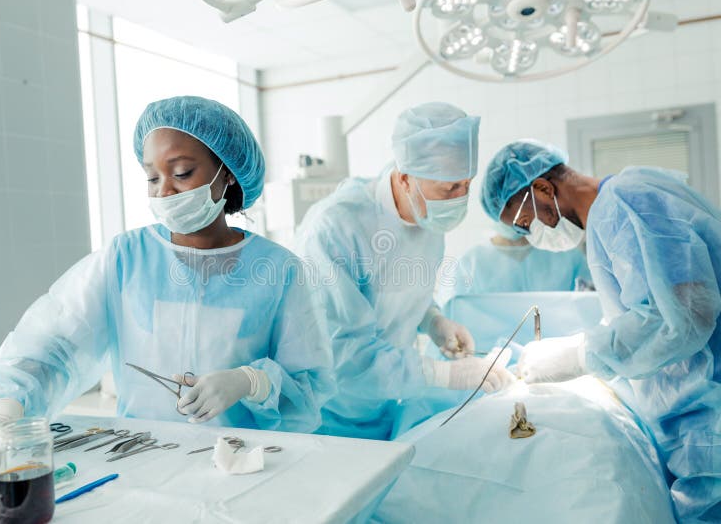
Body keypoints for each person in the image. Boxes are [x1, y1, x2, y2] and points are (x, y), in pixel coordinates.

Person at [0, 96, 334, 432]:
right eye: (152, 177)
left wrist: (251, 382)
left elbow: (307, 389)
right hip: (144, 458)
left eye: (181, 173)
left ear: (225, 174)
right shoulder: (125, 259)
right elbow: (54, 348)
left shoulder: (278, 269)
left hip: (243, 462)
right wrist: (6, 406)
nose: (163, 191)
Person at [480, 139, 721, 522]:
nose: (531, 235)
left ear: (543, 188)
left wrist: (581, 355)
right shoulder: (619, 207)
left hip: (710, 419)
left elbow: (687, 313)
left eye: (527, 222)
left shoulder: (624, 206)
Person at [294, 102, 515, 440]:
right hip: (330, 415)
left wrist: (432, 320)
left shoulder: (427, 218)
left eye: (466, 184)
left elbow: (395, 290)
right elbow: (344, 354)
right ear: (405, 178)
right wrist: (442, 376)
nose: (459, 198)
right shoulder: (336, 228)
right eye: (448, 189)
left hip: (387, 400)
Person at [438, 221, 592, 304]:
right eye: (507, 205)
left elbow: (592, 304)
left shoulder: (566, 254)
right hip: (490, 360)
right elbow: (454, 317)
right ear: (492, 206)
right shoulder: (470, 263)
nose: (516, 217)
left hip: (560, 357)